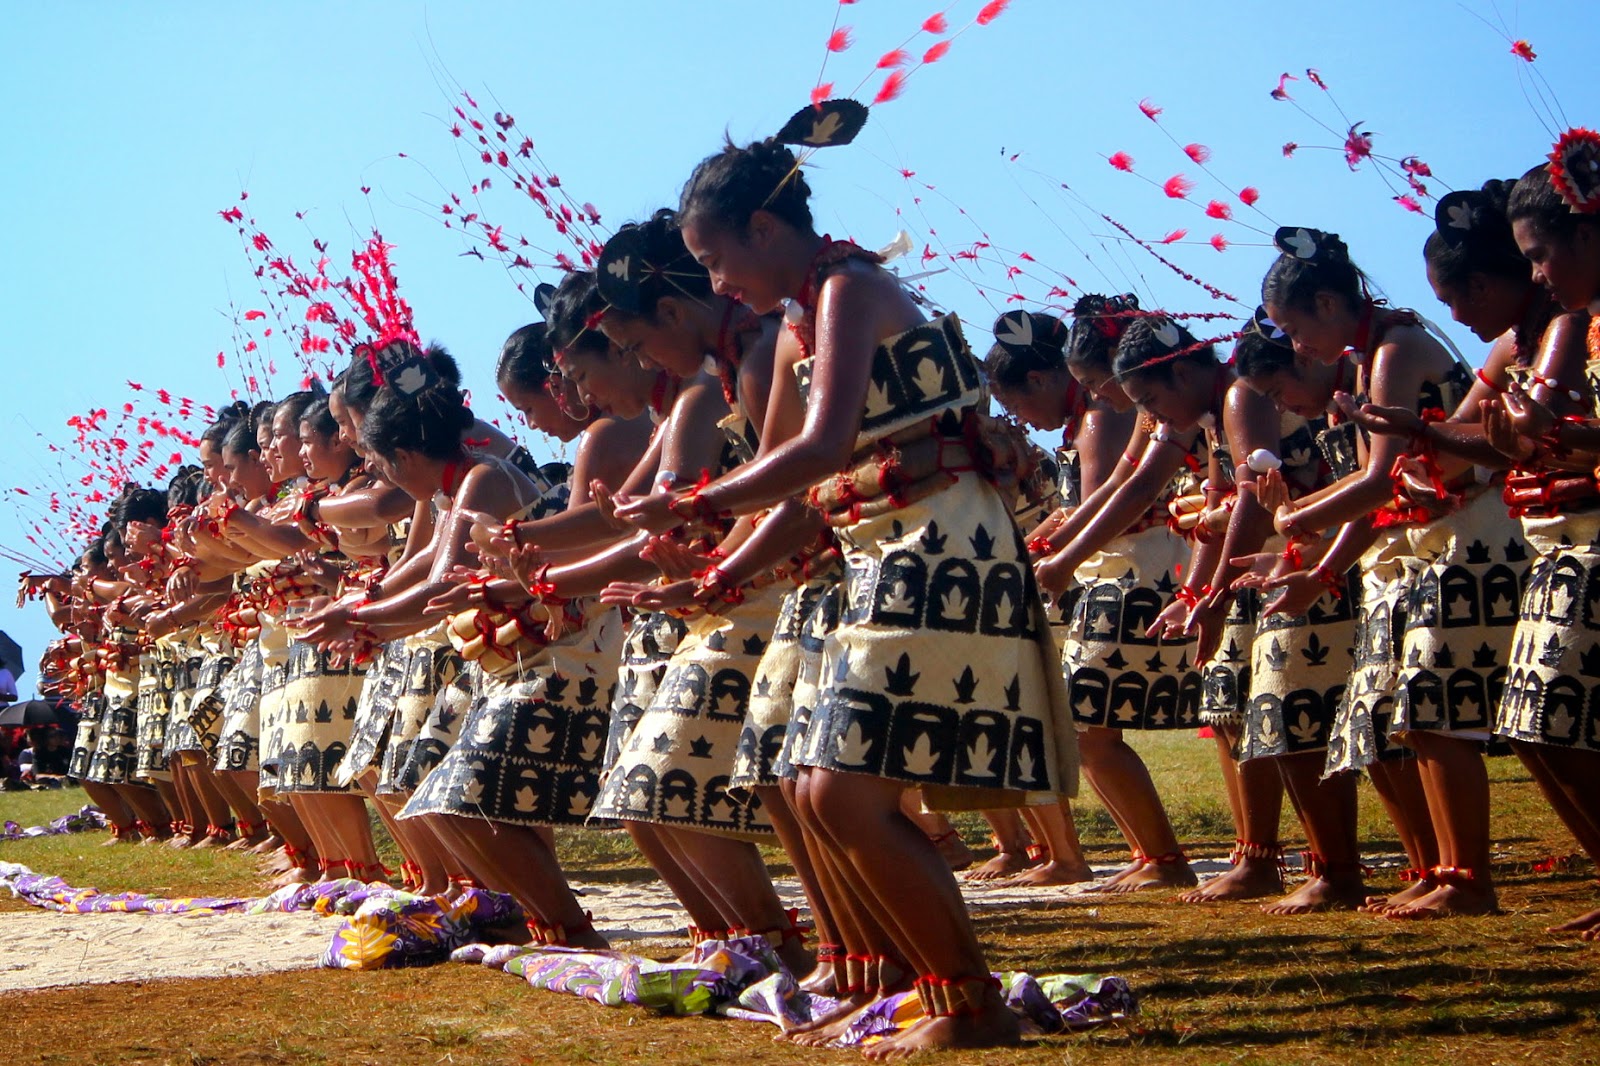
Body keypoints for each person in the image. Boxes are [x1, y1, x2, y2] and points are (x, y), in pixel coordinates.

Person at [606, 102, 1077, 1054]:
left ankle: (968, 1005)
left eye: (716, 260)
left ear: (766, 230)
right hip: (878, 552)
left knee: (841, 794)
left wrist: (694, 507)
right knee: (819, 789)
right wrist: (714, 571)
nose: (717, 281)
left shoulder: (851, 289)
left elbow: (819, 449)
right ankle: (942, 991)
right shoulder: (794, 323)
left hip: (943, 548)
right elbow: (794, 490)